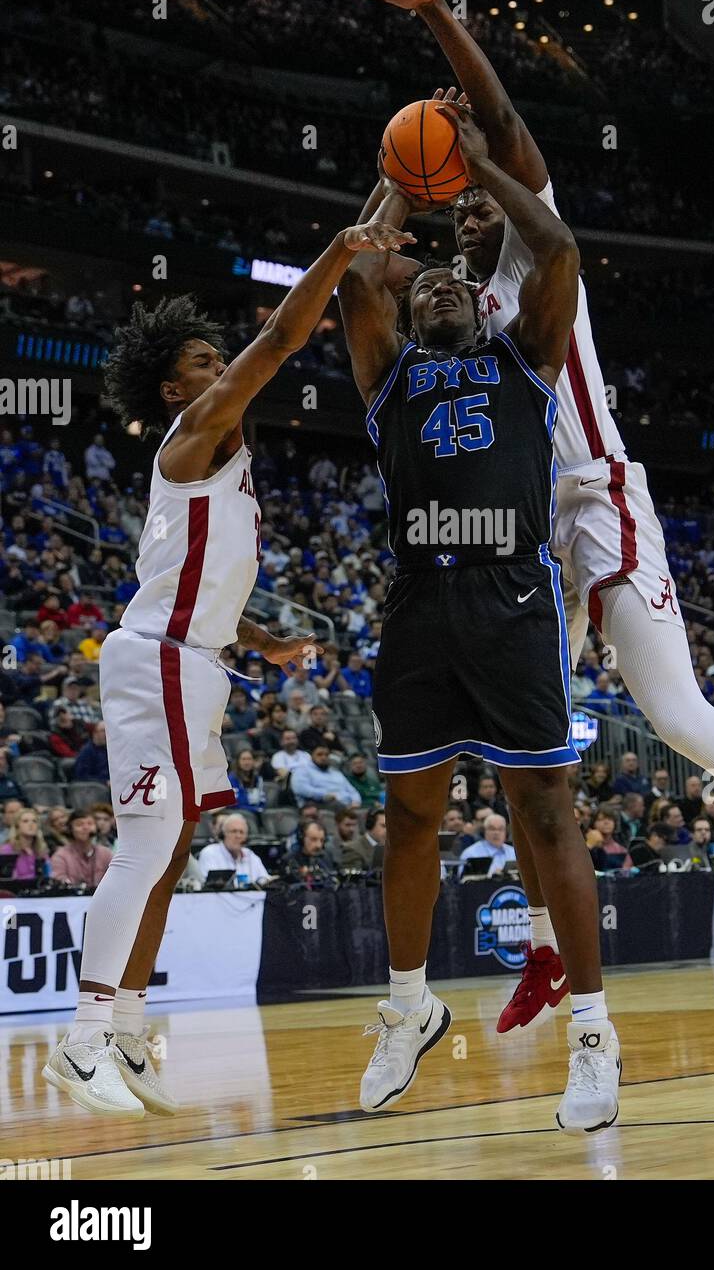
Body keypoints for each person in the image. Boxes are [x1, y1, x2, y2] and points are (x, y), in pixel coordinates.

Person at [362, 0, 714, 1016]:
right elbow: (368, 259)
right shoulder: (440, 307)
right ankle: (552, 948)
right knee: (524, 759)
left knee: (674, 713)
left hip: (595, 498)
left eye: (476, 193)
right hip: (516, 543)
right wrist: (405, 182)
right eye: (452, 199)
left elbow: (504, 123)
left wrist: (434, 18)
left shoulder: (536, 256)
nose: (465, 205)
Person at [43, 214, 404, 1119]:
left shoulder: (222, 470)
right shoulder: (196, 430)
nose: (222, 368)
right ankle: (79, 1042)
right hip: (158, 662)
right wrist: (346, 249)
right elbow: (283, 338)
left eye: (217, 359)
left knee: (167, 859)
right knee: (143, 850)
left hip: (193, 660)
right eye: (206, 361)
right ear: (176, 389)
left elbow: (197, 586)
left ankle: (126, 1024)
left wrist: (263, 641)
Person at [340, 94, 618, 1133]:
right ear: (411, 318)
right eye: (430, 289)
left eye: (461, 283)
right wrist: (403, 183)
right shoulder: (385, 375)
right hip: (417, 600)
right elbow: (360, 269)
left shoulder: (524, 357)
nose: (447, 287)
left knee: (545, 812)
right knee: (408, 817)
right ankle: (408, 1007)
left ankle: (594, 1037)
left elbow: (553, 247)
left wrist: (471, 164)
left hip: (509, 591)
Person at [197, 813, 270, 885]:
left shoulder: (250, 855)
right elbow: (204, 885)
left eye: (241, 832)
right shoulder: (210, 853)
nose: (238, 836)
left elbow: (265, 880)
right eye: (233, 831)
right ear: (223, 834)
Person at [50, 808, 113, 887]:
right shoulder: (60, 855)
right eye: (79, 824)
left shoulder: (106, 853)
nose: (85, 828)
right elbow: (58, 881)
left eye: (90, 824)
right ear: (70, 830)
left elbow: (116, 878)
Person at [290, 745, 361, 809]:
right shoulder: (302, 771)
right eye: (319, 755)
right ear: (312, 756)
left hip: (346, 805)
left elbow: (352, 790)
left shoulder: (336, 773)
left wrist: (356, 801)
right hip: (319, 804)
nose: (324, 757)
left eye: (326, 755)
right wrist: (324, 795)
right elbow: (301, 789)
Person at [0, 805, 50, 881]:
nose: (31, 824)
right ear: (17, 827)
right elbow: (8, 882)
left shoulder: (41, 850)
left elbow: (48, 876)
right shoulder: (6, 850)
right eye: (25, 821)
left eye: (34, 821)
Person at [228, 748, 269, 816]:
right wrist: (254, 809)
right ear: (238, 762)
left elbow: (262, 801)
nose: (247, 762)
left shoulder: (258, 779)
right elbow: (235, 804)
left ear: (253, 761)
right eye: (243, 759)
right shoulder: (232, 779)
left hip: (257, 813)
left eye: (249, 759)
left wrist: (260, 809)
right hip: (239, 813)